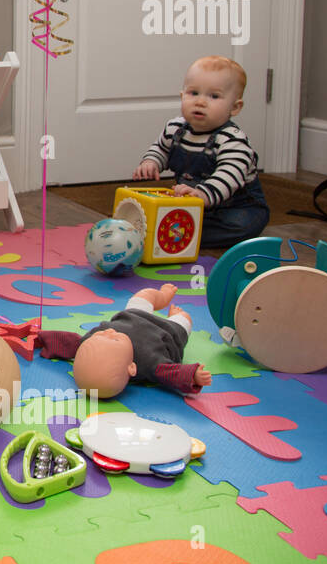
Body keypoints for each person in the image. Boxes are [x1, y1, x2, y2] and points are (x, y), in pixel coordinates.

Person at [133, 55, 269, 248]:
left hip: (235, 207)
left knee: (241, 225)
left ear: (235, 107)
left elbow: (228, 176)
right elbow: (161, 148)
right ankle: (181, 229)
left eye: (214, 96)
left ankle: (187, 234)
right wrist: (151, 162)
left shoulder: (232, 140)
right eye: (193, 93)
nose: (200, 102)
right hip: (193, 203)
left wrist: (203, 195)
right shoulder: (176, 128)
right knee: (162, 211)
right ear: (182, 96)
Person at [34, 284, 211, 399]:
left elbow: (67, 342)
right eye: (115, 338)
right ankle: (175, 316)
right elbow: (173, 373)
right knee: (185, 318)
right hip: (168, 331)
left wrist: (39, 337)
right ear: (131, 367)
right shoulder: (150, 363)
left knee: (145, 293)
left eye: (103, 334)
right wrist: (194, 376)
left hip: (134, 314)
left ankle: (163, 297)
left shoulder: (89, 341)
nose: (109, 331)